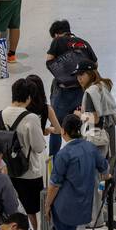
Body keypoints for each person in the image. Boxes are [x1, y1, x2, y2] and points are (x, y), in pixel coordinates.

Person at [44, 114, 109, 230]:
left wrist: (47, 205)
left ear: (63, 132)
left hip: (65, 209)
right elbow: (105, 169)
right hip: (85, 205)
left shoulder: (63, 154)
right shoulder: (91, 148)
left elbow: (54, 184)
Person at [0, 80, 48, 230]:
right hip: (29, 173)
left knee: (10, 211)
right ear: (28, 97)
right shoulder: (31, 118)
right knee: (30, 212)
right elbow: (39, 147)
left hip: (6, 172)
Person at [44, 20, 96, 155]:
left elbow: (49, 61)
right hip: (81, 91)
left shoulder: (57, 41)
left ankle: (54, 159)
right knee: (83, 122)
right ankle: (82, 154)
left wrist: (64, 74)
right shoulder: (84, 43)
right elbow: (95, 64)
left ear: (56, 34)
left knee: (57, 125)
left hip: (62, 92)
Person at [77, 61, 116, 158]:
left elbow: (95, 119)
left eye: (82, 74)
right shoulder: (103, 85)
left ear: (91, 73)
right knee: (109, 165)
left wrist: (79, 115)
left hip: (98, 137)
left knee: (98, 168)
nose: (79, 78)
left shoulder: (90, 92)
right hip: (109, 131)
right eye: (77, 75)